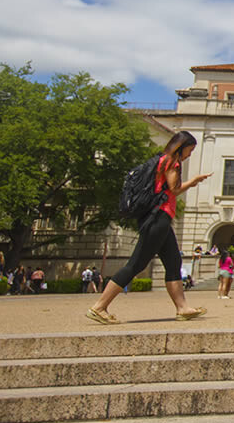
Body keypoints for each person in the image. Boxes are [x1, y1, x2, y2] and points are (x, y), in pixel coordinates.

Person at [86, 131, 211, 324]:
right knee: (136, 264)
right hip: (158, 218)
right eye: (190, 150)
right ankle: (100, 306)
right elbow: (174, 189)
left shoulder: (160, 159)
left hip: (160, 218)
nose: (190, 154)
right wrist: (193, 182)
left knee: (173, 262)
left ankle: (183, 308)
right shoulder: (172, 162)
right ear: (182, 146)